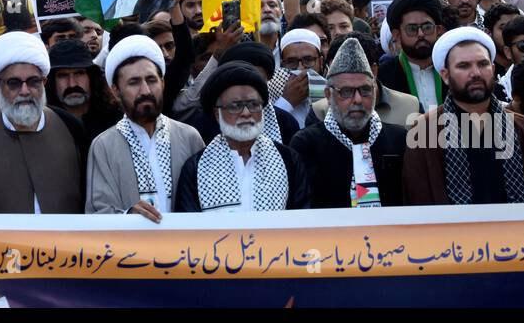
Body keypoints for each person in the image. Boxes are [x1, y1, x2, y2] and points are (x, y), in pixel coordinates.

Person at [402, 28, 524, 204]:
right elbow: (418, 200)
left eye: (482, 64)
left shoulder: (523, 128)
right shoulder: (425, 130)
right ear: (445, 75)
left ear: (493, 69)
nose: (476, 73)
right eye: (463, 66)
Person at [0, 31, 87, 213]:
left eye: (33, 82)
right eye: (14, 83)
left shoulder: (71, 127)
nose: (25, 91)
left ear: (44, 82)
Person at [85, 36, 204, 217]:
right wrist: (128, 216)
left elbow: (206, 204)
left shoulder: (189, 137)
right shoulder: (104, 145)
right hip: (129, 245)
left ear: (162, 83)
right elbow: (98, 211)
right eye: (134, 83)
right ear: (115, 91)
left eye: (151, 80)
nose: (145, 91)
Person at [174, 62, 312, 211]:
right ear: (217, 113)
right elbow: (190, 226)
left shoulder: (289, 160)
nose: (246, 113)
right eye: (235, 106)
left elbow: (300, 220)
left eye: (253, 104)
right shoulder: (196, 166)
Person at [290, 37, 408, 208]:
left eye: (365, 90)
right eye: (346, 92)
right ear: (329, 96)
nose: (358, 100)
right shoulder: (307, 144)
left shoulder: (399, 139)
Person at [379, 0, 446, 111]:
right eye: (412, 29)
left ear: (439, 30)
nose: (421, 34)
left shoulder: (452, 69)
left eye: (427, 27)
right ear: (397, 35)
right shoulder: (383, 76)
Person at [46, 39, 121, 138]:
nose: (72, 84)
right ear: (52, 82)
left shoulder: (117, 122)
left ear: (91, 77)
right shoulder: (44, 125)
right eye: (62, 75)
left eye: (79, 73)